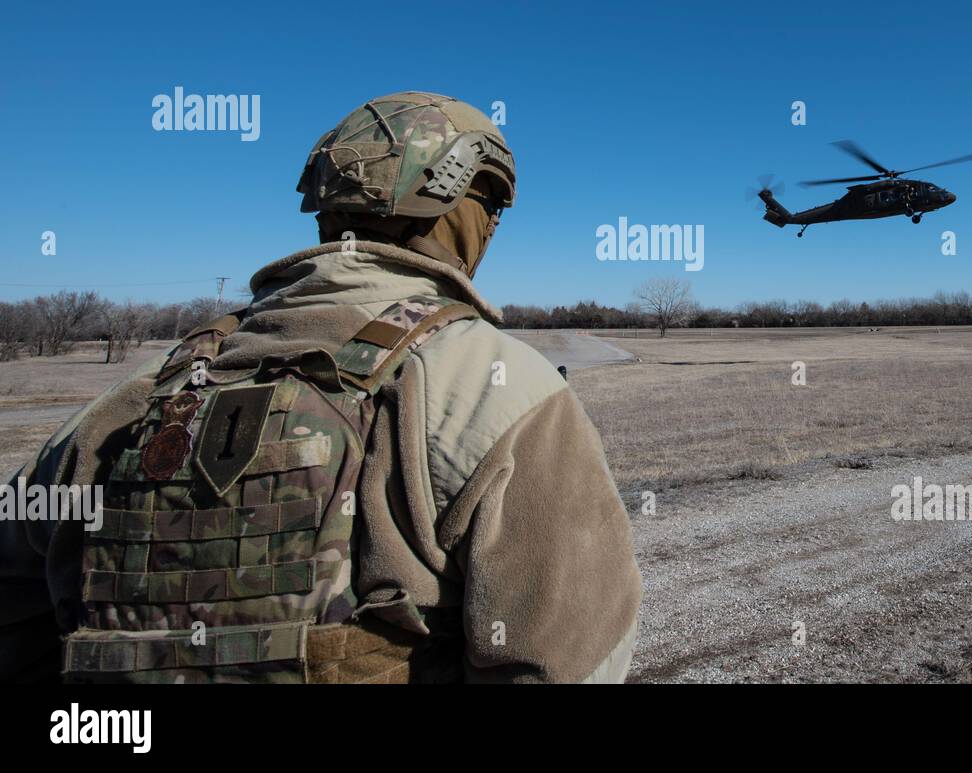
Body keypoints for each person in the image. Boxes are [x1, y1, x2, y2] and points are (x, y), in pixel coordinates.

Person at [0, 91, 641, 683]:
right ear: (458, 201)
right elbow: (569, 658)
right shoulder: (494, 385)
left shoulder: (144, 391)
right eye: (491, 206)